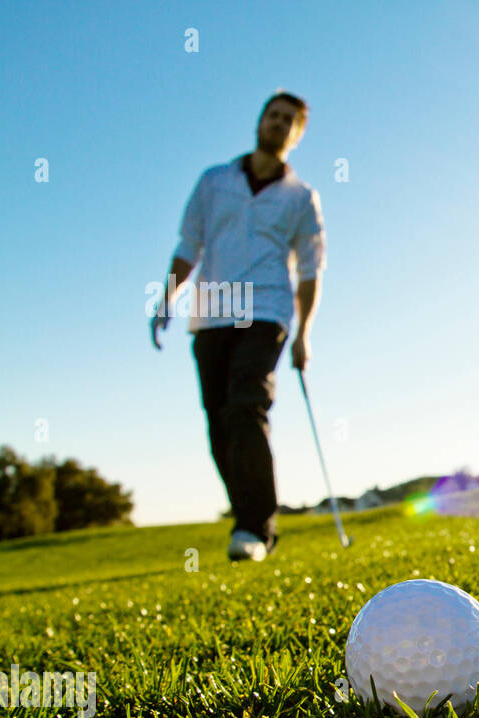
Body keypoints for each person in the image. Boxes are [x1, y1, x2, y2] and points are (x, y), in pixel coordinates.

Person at [150, 91, 326, 562]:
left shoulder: (301, 198)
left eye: (290, 120)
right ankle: (245, 514)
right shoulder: (214, 182)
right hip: (211, 314)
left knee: (247, 404)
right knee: (220, 422)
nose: (279, 124)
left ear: (298, 133)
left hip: (266, 312)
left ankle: (255, 527)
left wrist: (304, 333)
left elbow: (310, 271)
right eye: (274, 115)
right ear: (259, 121)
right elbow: (189, 245)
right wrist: (167, 298)